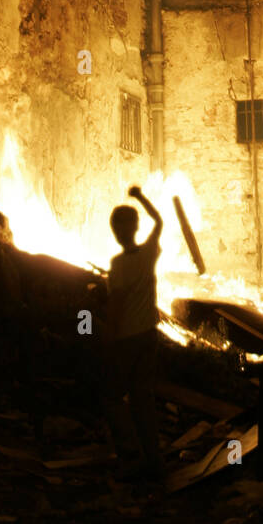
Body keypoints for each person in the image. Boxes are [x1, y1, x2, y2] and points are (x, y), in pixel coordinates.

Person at [101, 186, 164, 481]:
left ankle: (131, 455)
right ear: (136, 228)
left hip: (127, 339)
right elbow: (160, 221)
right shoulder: (149, 253)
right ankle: (154, 459)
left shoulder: (118, 265)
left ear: (115, 232)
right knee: (143, 397)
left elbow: (115, 305)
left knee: (113, 397)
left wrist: (108, 340)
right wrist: (140, 197)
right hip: (149, 336)